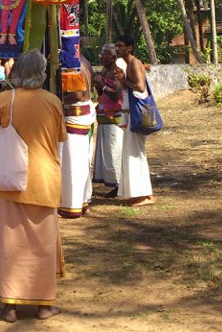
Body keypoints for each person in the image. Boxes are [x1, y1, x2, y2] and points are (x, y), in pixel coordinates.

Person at [0, 50, 66, 322]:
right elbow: (59, 137)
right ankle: (43, 305)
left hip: (11, 180)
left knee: (10, 243)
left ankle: (10, 306)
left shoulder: (6, 99)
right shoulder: (53, 102)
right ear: (41, 73)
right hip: (43, 178)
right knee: (42, 245)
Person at [114, 35, 154, 207]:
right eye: (116, 46)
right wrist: (122, 81)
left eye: (121, 46)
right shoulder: (128, 64)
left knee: (136, 152)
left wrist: (124, 81)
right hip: (131, 113)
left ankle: (145, 194)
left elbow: (140, 87)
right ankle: (138, 193)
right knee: (131, 151)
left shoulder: (135, 63)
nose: (118, 49)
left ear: (129, 48)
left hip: (137, 113)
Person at [59, 55, 95, 218]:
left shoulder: (71, 64)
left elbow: (78, 95)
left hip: (75, 114)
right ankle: (82, 200)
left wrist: (57, 100)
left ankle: (71, 204)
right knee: (81, 161)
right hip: (83, 114)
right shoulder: (85, 61)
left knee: (71, 163)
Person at [92, 44, 125, 194]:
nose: (101, 57)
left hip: (114, 118)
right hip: (104, 116)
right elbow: (101, 92)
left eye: (105, 54)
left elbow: (116, 94)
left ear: (113, 57)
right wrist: (98, 85)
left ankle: (119, 184)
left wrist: (102, 86)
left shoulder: (117, 72)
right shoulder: (105, 71)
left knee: (114, 152)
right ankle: (112, 183)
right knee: (106, 153)